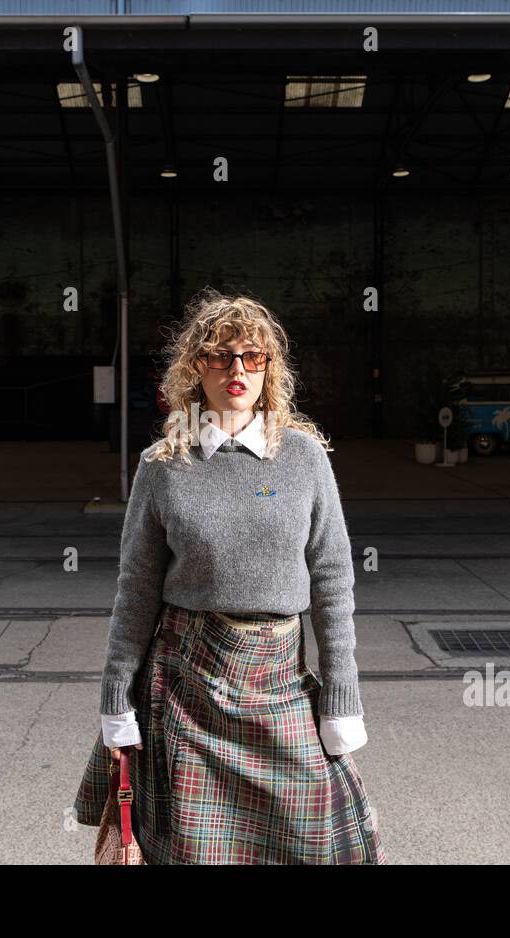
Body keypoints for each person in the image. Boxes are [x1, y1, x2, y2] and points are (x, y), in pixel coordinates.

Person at [72, 287, 385, 864]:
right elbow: (137, 588)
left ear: (270, 368)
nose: (237, 370)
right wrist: (117, 693)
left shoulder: (305, 458)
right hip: (186, 687)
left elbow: (333, 581)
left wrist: (342, 695)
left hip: (280, 682)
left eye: (252, 356)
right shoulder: (163, 466)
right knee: (196, 851)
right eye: (220, 356)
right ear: (197, 369)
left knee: (317, 841)